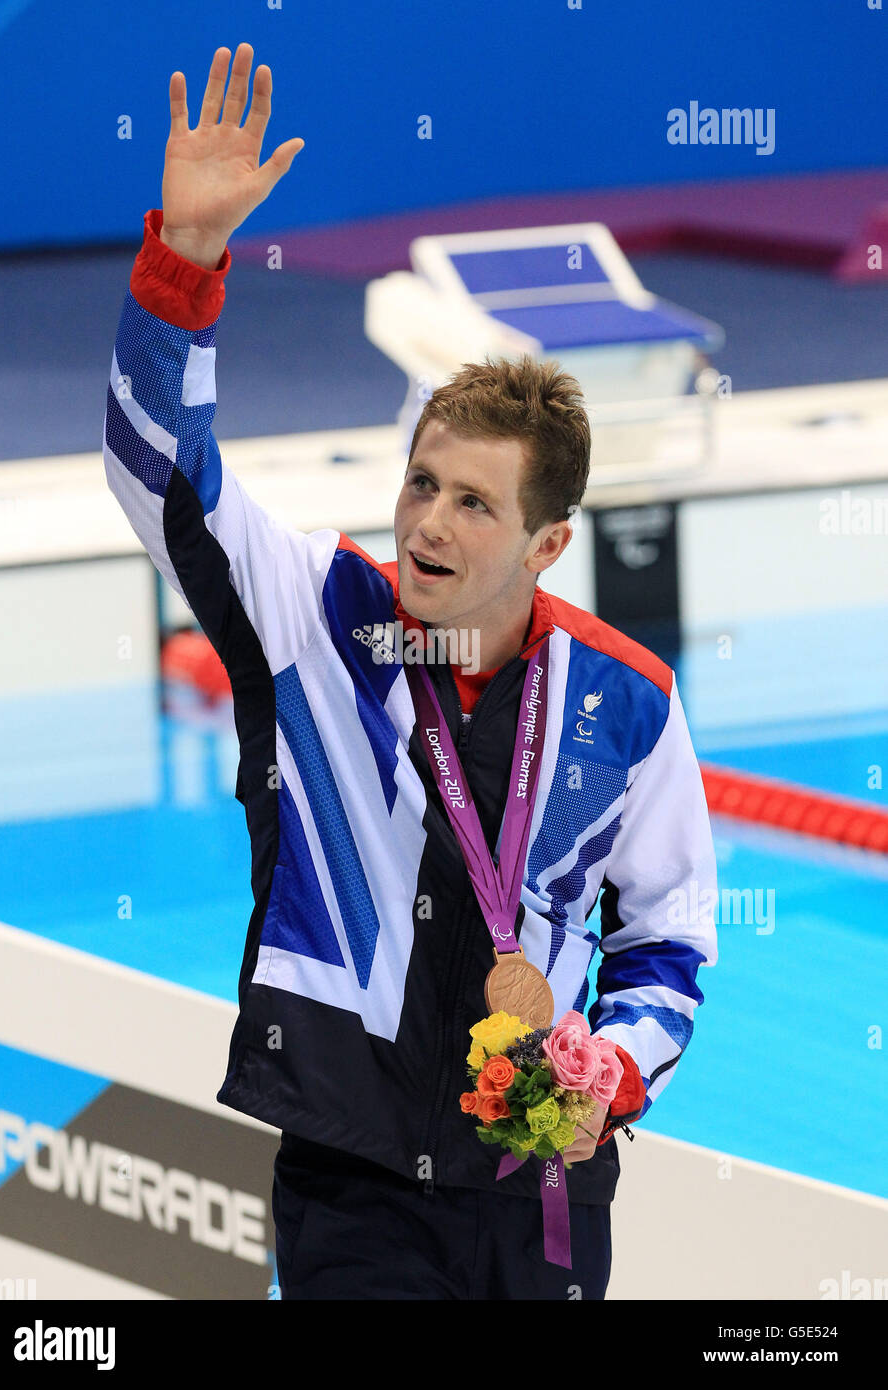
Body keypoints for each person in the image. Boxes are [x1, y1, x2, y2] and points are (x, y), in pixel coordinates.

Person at [103, 43, 718, 1300]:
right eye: (421, 482)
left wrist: (609, 1068)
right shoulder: (320, 618)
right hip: (358, 1179)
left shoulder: (629, 701)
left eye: (474, 505)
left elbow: (667, 942)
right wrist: (188, 259)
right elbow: (158, 471)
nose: (428, 524)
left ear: (549, 542)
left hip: (540, 1180)